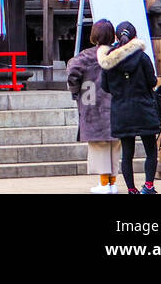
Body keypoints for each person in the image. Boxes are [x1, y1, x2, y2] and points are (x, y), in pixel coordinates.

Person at [98, 20, 161, 194]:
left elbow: (105, 87)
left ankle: (131, 189)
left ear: (117, 38)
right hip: (143, 109)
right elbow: (152, 81)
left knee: (127, 153)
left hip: (121, 110)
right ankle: (148, 186)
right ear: (135, 37)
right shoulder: (142, 57)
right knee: (150, 150)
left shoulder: (109, 60)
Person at [67, 19, 118, 193]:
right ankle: (112, 182)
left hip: (93, 103)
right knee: (115, 144)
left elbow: (72, 71)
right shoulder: (118, 54)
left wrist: (75, 91)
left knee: (99, 145)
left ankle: (104, 184)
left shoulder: (86, 56)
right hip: (117, 104)